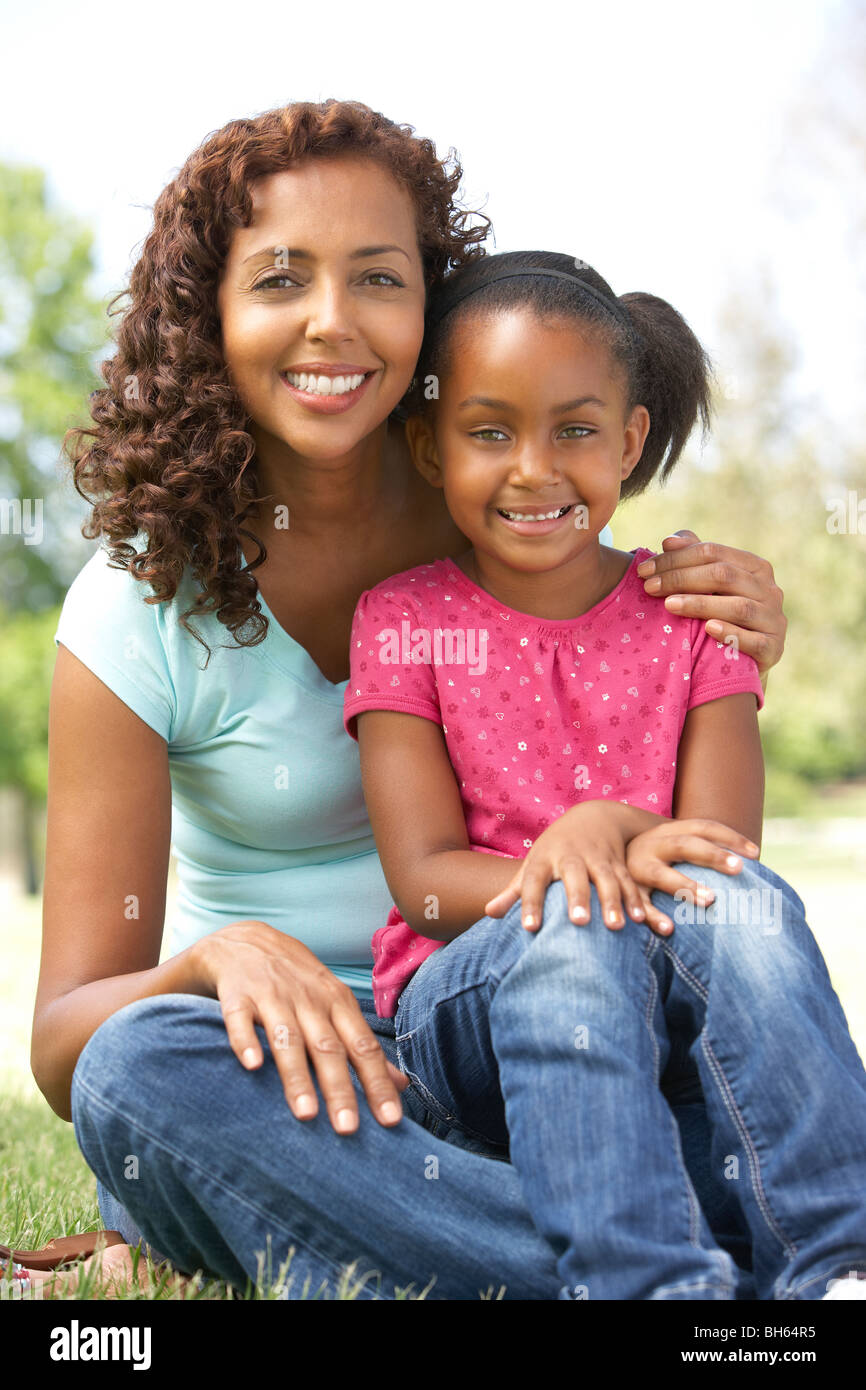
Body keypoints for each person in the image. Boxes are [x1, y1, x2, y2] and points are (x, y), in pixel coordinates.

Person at [24, 101, 790, 1301]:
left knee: (676, 1049)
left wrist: (736, 624)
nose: (332, 321)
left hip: (542, 1047)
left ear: (428, 313)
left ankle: (453, 1252)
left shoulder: (501, 507)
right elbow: (67, 1039)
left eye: (377, 278)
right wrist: (209, 962)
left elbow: (660, 690)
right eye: (280, 278)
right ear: (207, 316)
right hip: (289, 1087)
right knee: (137, 1075)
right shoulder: (134, 611)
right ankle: (659, 1272)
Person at [343, 249, 866, 1300]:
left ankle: (838, 1265)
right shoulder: (403, 620)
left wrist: (602, 822)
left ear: (627, 443)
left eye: (573, 431)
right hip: (468, 1004)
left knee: (746, 906)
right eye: (488, 432)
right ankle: (652, 1291)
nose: (533, 468)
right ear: (427, 445)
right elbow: (427, 885)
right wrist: (572, 867)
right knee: (572, 926)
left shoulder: (691, 617)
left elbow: (724, 861)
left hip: (663, 978)